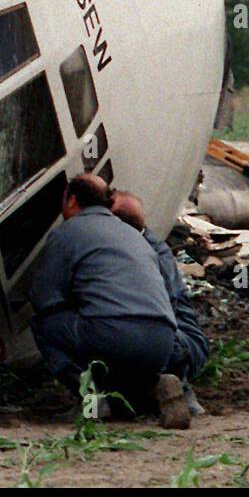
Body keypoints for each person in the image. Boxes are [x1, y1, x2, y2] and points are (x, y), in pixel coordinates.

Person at [27, 173, 190, 429]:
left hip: (110, 334)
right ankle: (157, 384)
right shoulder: (136, 235)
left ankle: (91, 398)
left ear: (71, 200)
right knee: (125, 354)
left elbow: (43, 297)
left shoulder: (67, 232)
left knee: (44, 324)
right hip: (162, 341)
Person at [110, 190, 209, 416]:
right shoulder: (142, 244)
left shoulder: (152, 253)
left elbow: (166, 311)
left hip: (180, 342)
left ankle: (178, 387)